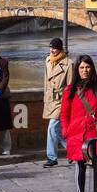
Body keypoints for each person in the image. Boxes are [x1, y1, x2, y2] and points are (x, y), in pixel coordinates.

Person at [59, 54, 97, 192]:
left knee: (96, 168)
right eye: (81, 68)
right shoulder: (70, 90)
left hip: (94, 134)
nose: (85, 70)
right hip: (76, 135)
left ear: (92, 68)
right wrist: (66, 131)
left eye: (87, 67)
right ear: (77, 70)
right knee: (80, 166)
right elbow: (64, 114)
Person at [42, 36, 71, 168]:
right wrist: (45, 97)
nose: (52, 50)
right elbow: (45, 82)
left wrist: (68, 102)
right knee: (56, 131)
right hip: (50, 100)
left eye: (55, 48)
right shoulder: (47, 60)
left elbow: (70, 86)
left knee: (52, 128)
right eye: (51, 48)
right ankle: (74, 151)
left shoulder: (68, 64)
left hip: (61, 101)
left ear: (60, 49)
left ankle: (52, 157)